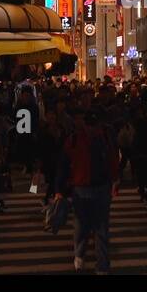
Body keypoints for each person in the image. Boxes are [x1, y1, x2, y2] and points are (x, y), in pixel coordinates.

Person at [55, 107, 120, 274]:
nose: (92, 128)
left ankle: (103, 265)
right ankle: (79, 255)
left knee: (101, 228)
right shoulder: (74, 139)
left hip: (100, 187)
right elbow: (63, 164)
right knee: (82, 226)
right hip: (81, 189)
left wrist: (115, 181)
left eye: (94, 124)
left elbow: (112, 159)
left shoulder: (104, 137)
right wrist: (59, 189)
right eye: (89, 124)